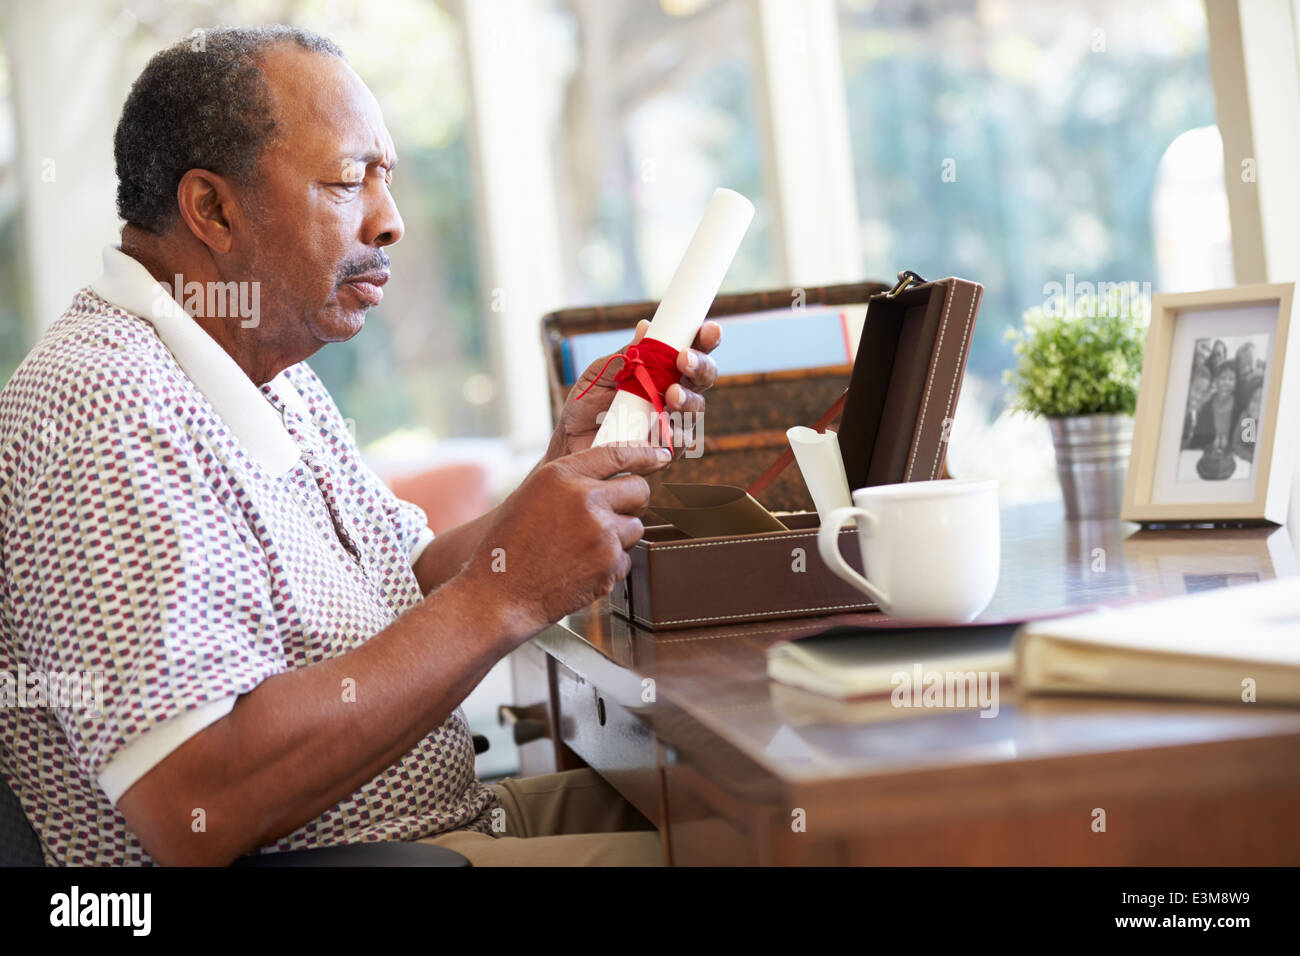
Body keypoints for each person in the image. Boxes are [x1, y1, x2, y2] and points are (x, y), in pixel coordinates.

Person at [0, 26, 723, 866]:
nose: (392, 223)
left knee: (721, 810)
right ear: (212, 209)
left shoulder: (260, 366)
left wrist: (560, 475)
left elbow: (406, 586)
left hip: (441, 825)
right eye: (349, 181)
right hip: (374, 855)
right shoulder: (107, 411)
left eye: (387, 178)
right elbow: (194, 798)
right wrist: (510, 596)